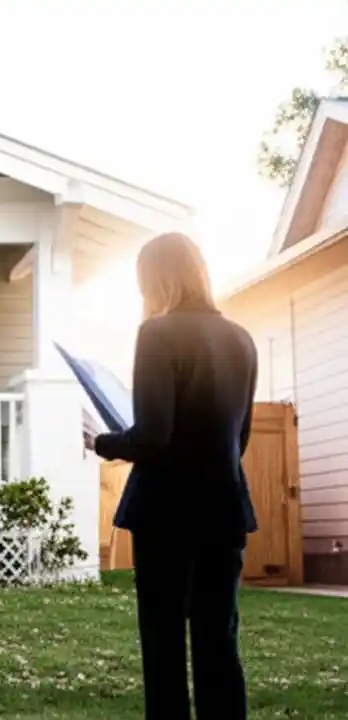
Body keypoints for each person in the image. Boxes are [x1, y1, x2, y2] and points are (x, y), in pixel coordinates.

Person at [87, 232, 258, 720]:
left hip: (166, 514)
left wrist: (102, 442)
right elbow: (239, 437)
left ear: (155, 280)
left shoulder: (157, 335)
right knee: (218, 640)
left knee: (163, 642)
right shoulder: (241, 338)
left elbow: (154, 435)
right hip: (225, 508)